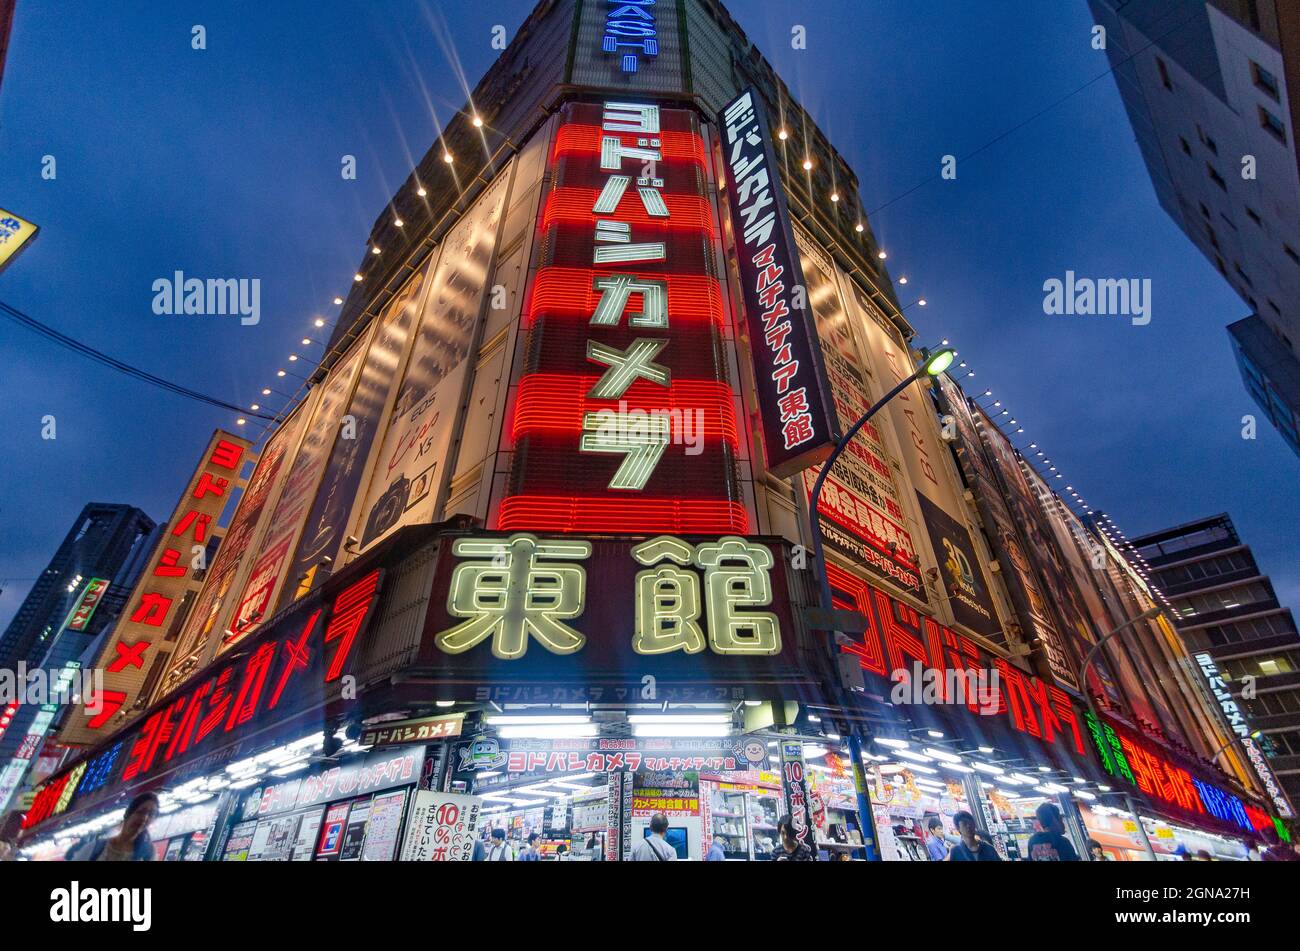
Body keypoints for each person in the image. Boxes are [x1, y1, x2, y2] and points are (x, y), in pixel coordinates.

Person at [70, 792, 159, 861]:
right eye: (141, 811)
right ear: (129, 813)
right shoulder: (94, 848)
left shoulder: (148, 854)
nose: (144, 818)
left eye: (151, 815)